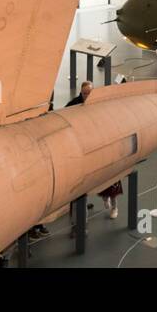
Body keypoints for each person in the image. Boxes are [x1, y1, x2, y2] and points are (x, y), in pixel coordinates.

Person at [66, 81, 121, 219]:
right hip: (84, 148)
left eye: (89, 93)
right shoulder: (74, 104)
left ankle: (114, 205)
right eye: (85, 94)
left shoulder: (100, 103)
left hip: (102, 146)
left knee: (111, 180)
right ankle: (79, 219)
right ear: (81, 93)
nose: (87, 96)